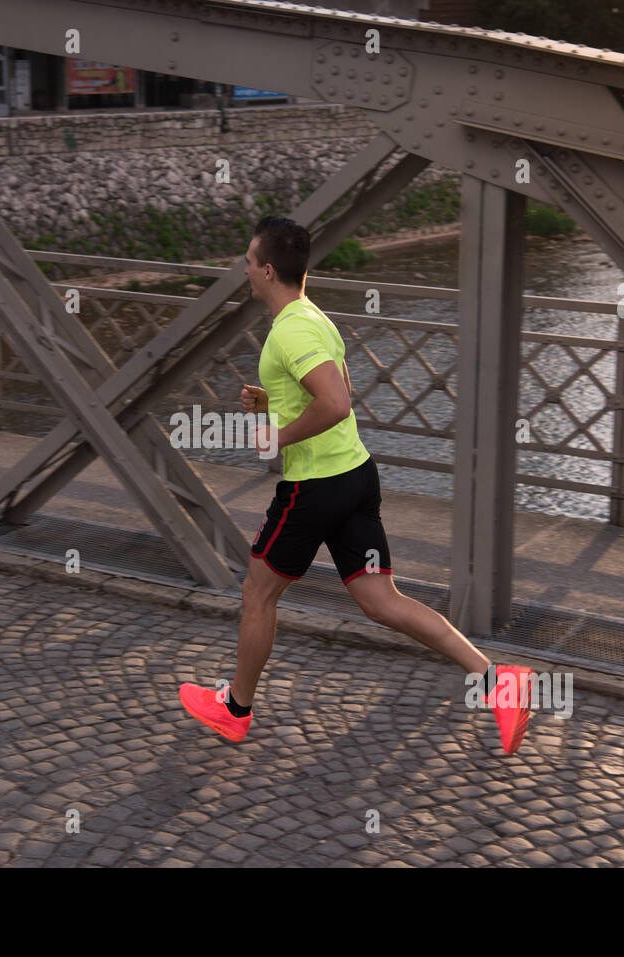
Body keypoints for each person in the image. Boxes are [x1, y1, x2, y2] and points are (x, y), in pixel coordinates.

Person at [178, 216, 534, 754]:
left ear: (268, 269)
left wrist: (278, 438)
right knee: (380, 600)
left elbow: (336, 403)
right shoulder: (314, 319)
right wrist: (270, 404)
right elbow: (335, 390)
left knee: (258, 593)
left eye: (249, 261)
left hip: (313, 489)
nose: (245, 269)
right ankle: (498, 681)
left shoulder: (289, 331)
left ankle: (235, 710)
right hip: (355, 478)